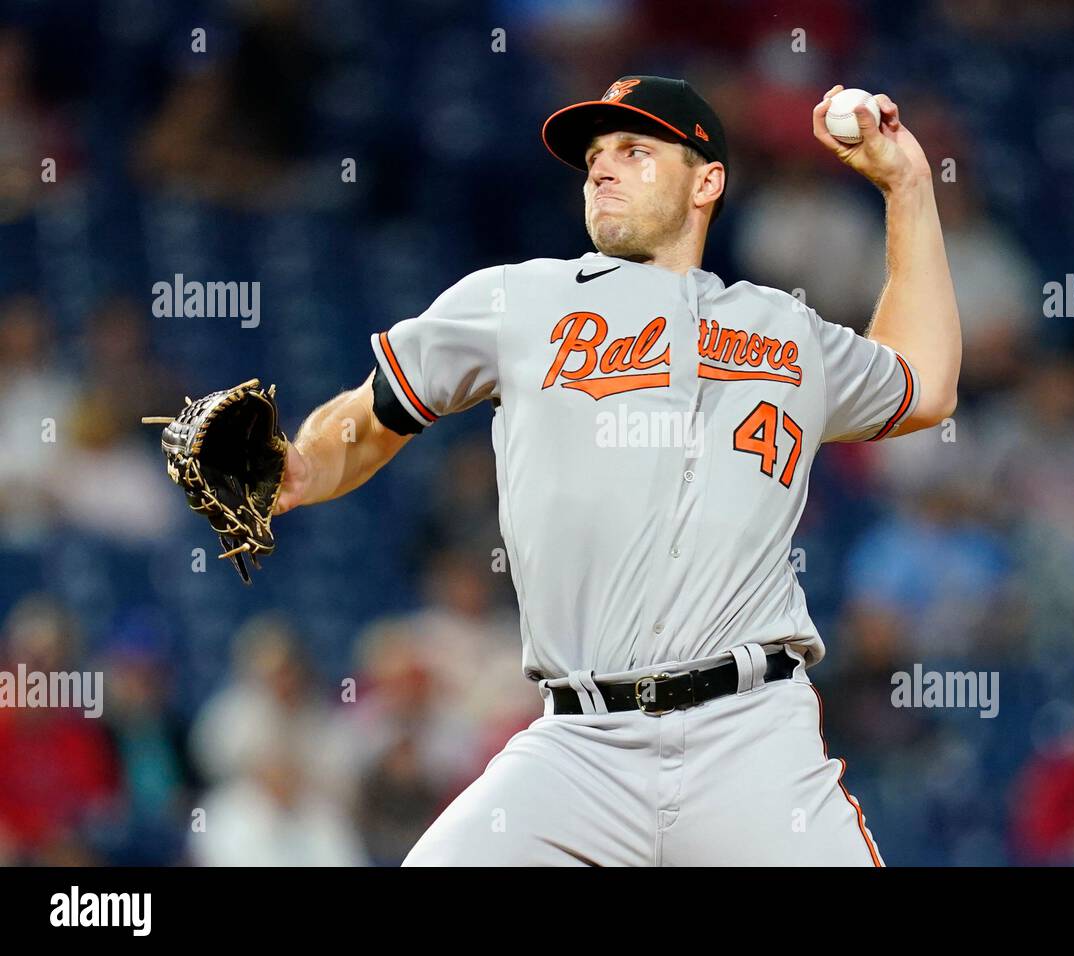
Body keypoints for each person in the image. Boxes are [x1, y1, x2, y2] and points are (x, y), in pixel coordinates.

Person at [271, 76, 960, 865]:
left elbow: (926, 383)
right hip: (580, 747)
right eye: (595, 156)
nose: (601, 169)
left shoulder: (788, 330)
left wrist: (907, 183)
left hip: (752, 742)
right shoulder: (518, 299)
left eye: (635, 151)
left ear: (707, 181)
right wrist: (298, 464)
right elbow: (364, 422)